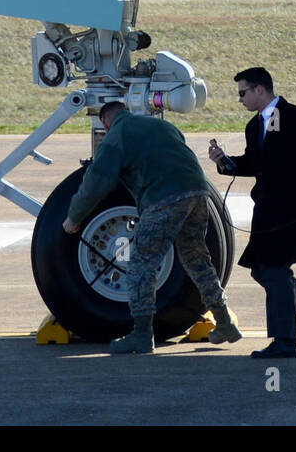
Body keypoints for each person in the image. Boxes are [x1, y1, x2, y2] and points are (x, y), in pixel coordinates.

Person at [62, 101, 242, 354]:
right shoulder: (162, 125)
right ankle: (224, 323)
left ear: (105, 121)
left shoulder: (117, 135)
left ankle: (142, 335)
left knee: (141, 264)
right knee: (196, 259)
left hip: (164, 199)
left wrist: (74, 217)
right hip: (199, 193)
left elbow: (97, 180)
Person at [207, 67, 296, 359]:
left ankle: (285, 341)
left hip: (294, 209)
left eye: (242, 93)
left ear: (259, 90)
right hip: (266, 211)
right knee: (262, 269)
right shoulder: (255, 126)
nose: (239, 99)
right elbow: (255, 164)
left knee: (275, 270)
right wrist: (225, 162)